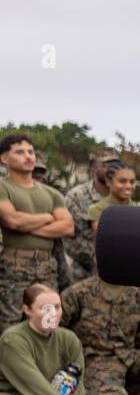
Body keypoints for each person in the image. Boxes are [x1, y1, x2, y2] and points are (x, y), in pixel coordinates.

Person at [1, 135, 73, 325]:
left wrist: (27, 226)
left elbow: (67, 226)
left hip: (46, 266)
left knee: (48, 322)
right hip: (13, 266)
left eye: (30, 152)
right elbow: (12, 220)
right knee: (10, 324)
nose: (28, 156)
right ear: (4, 158)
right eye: (20, 152)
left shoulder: (51, 193)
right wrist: (47, 217)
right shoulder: (3, 187)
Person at [0, 284, 86, 395]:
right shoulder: (12, 340)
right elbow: (33, 382)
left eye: (57, 307)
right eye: (45, 309)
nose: (53, 314)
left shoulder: (69, 339)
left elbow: (77, 383)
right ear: (27, 310)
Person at [60, 272, 140, 395]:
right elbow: (55, 331)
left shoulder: (138, 297)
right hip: (94, 359)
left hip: (128, 357)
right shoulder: (78, 293)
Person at [61, 146, 119, 284]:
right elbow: (70, 240)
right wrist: (100, 258)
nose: (112, 169)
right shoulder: (76, 196)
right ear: (93, 169)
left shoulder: (124, 196)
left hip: (119, 274)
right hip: (85, 276)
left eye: (116, 165)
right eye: (105, 165)